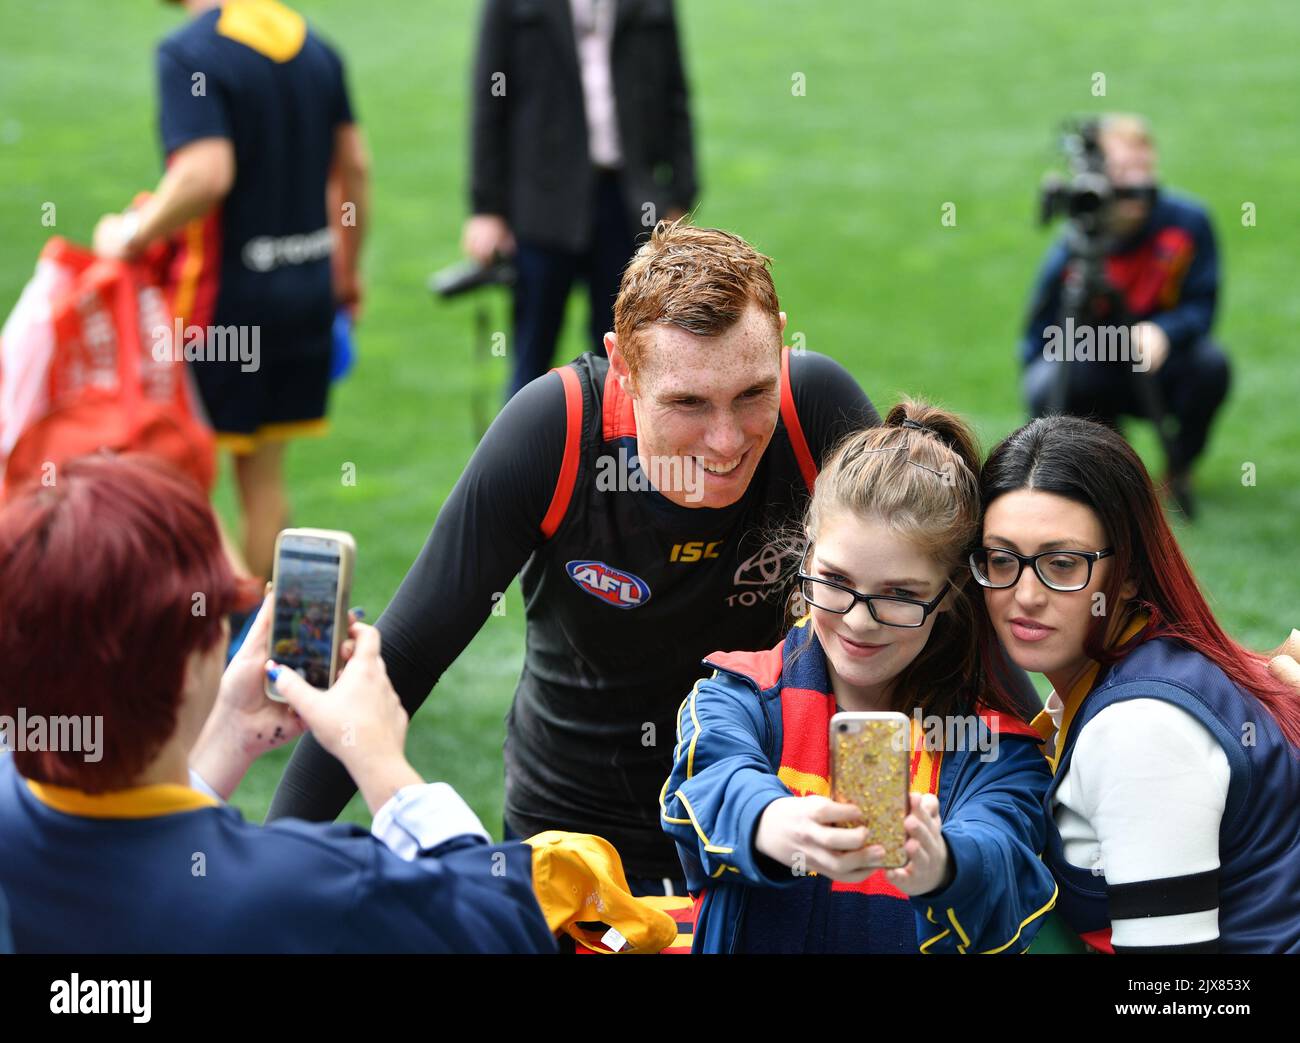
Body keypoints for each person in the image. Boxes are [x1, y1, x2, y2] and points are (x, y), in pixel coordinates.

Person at [268, 222, 883, 891]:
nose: (727, 439)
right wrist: (268, 865)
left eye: (752, 393)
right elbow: (408, 654)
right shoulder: (555, 431)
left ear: (781, 347)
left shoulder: (815, 410)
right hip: (570, 839)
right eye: (688, 402)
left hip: (756, 821)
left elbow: (932, 599)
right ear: (623, 366)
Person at [0, 453, 674, 954]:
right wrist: (380, 760)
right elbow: (497, 926)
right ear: (194, 661)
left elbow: (136, 863)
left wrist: (228, 734)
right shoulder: (309, 889)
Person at [661, 403, 1057, 952]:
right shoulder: (736, 696)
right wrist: (774, 821)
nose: (857, 620)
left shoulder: (995, 748)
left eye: (900, 596)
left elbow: (1007, 863)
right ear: (807, 547)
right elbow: (708, 790)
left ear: (950, 595)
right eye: (835, 581)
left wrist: (942, 865)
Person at [973, 414, 1300, 953]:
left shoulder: (1139, 730)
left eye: (1061, 563)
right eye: (1002, 560)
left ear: (1126, 572)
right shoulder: (1133, 672)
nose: (1026, 594)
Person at [93, 0, 369, 582]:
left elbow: (205, 173)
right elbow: (356, 169)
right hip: (306, 295)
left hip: (220, 310)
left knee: (175, 476)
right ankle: (256, 634)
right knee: (264, 481)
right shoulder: (314, 48)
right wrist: (345, 272)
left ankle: (215, 625)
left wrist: (130, 233)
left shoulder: (190, 52)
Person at [463, 0, 697, 401]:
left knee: (626, 363)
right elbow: (490, 97)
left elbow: (675, 94)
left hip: (627, 202)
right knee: (530, 367)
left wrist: (679, 197)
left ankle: (624, 464)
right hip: (541, 202)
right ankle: (525, 463)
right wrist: (487, 208)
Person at [1019, 114, 1229, 515]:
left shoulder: (1188, 222)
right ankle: (1082, 478)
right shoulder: (1076, 243)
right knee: (1047, 382)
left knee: (1211, 364)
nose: (1137, 184)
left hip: (1160, 365)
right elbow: (1039, 335)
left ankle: (1179, 469)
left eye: (1144, 169)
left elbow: (1203, 305)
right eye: (1122, 171)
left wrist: (1164, 333)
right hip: (1093, 368)